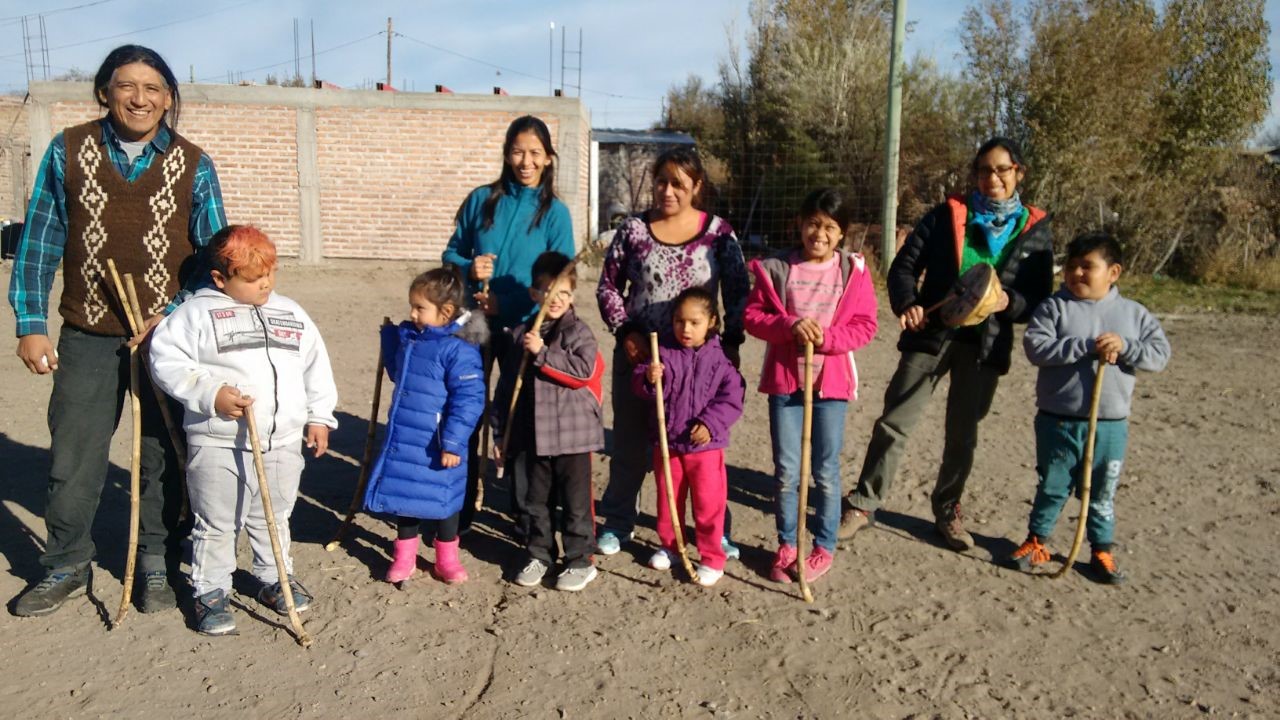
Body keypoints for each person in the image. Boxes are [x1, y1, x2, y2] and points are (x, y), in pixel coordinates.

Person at [9, 44, 226, 617]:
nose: (140, 98)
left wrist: (172, 310)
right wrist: (32, 323)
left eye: (153, 88)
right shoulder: (70, 151)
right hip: (88, 330)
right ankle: (65, 562)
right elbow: (40, 241)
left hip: (168, 338)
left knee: (163, 452)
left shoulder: (194, 163)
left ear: (168, 97)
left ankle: (155, 559)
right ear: (105, 90)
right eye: (127, 86)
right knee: (75, 453)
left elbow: (214, 259)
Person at [838, 137, 1054, 550]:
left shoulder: (1036, 230)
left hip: (986, 345)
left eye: (1002, 170)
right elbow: (904, 267)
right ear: (975, 173)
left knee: (962, 434)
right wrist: (909, 304)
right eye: (985, 170)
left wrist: (1009, 302)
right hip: (931, 334)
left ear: (1018, 173)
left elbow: (1038, 297)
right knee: (895, 421)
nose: (993, 178)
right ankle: (864, 502)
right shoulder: (946, 215)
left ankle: (947, 509)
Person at [148, 226, 337, 635]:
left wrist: (320, 416)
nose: (264, 284)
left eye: (269, 273)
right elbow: (166, 361)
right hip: (220, 442)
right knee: (217, 520)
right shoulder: (195, 314)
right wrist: (210, 393)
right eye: (251, 279)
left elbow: (315, 366)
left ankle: (275, 578)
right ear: (220, 279)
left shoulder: (290, 312)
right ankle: (210, 590)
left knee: (275, 516)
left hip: (282, 441)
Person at [596, 147, 749, 558]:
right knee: (629, 444)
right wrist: (625, 330)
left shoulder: (719, 234)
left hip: (701, 366)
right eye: (662, 180)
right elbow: (608, 286)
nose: (668, 191)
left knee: (701, 451)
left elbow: (737, 293)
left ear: (696, 186)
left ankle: (714, 531)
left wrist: (731, 343)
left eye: (678, 183)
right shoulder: (634, 231)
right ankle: (618, 520)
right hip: (641, 357)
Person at [1006, 232, 1170, 584]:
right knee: (1053, 484)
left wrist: (1125, 347)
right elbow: (1036, 348)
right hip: (1058, 420)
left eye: (1087, 266)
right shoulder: (1054, 308)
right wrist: (1083, 346)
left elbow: (1159, 355)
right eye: (1071, 266)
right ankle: (1037, 541)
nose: (1076, 273)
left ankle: (1100, 549)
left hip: (1109, 424)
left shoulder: (1133, 315)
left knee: (1102, 490)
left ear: (1113, 272)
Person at [441, 115, 575, 537]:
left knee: (518, 416)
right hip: (475, 322)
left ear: (549, 158)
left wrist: (512, 301)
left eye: (535, 153)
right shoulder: (482, 199)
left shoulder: (555, 213)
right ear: (506, 153)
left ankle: (524, 511)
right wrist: (466, 266)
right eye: (518, 151)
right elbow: (451, 251)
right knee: (465, 409)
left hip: (524, 325)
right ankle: (456, 506)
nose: (526, 161)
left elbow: (561, 277)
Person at [744, 188, 878, 584]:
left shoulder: (852, 272)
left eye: (830, 227)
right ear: (799, 224)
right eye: (813, 224)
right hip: (786, 385)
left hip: (830, 387)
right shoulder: (777, 269)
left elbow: (866, 325)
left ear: (842, 234)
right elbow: (753, 317)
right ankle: (787, 545)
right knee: (786, 470)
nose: (819, 234)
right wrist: (788, 326)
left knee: (826, 470)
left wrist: (829, 339)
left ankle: (823, 547)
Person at [362, 268, 487, 586]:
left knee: (445, 502)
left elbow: (469, 399)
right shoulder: (412, 340)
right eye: (412, 306)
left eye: (420, 308)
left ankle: (447, 559)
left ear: (445, 312)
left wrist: (453, 442)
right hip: (407, 437)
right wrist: (391, 340)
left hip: (439, 442)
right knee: (407, 497)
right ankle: (404, 558)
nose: (412, 313)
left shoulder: (459, 349)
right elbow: (398, 374)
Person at [492, 252, 605, 592]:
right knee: (533, 501)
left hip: (573, 436)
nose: (555, 301)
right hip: (531, 437)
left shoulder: (578, 333)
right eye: (547, 293)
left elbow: (583, 372)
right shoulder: (521, 335)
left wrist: (542, 353)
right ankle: (539, 553)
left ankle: (580, 560)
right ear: (533, 294)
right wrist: (501, 434)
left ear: (572, 295)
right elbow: (506, 388)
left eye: (564, 294)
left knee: (575, 503)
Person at [634, 287, 745, 587]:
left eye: (694, 322)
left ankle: (712, 557)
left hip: (705, 447)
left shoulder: (721, 358)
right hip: (668, 442)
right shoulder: (663, 351)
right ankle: (671, 545)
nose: (685, 329)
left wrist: (710, 424)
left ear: (711, 322)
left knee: (709, 502)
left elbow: (732, 398)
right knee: (669, 497)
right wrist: (648, 378)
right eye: (680, 321)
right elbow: (643, 386)